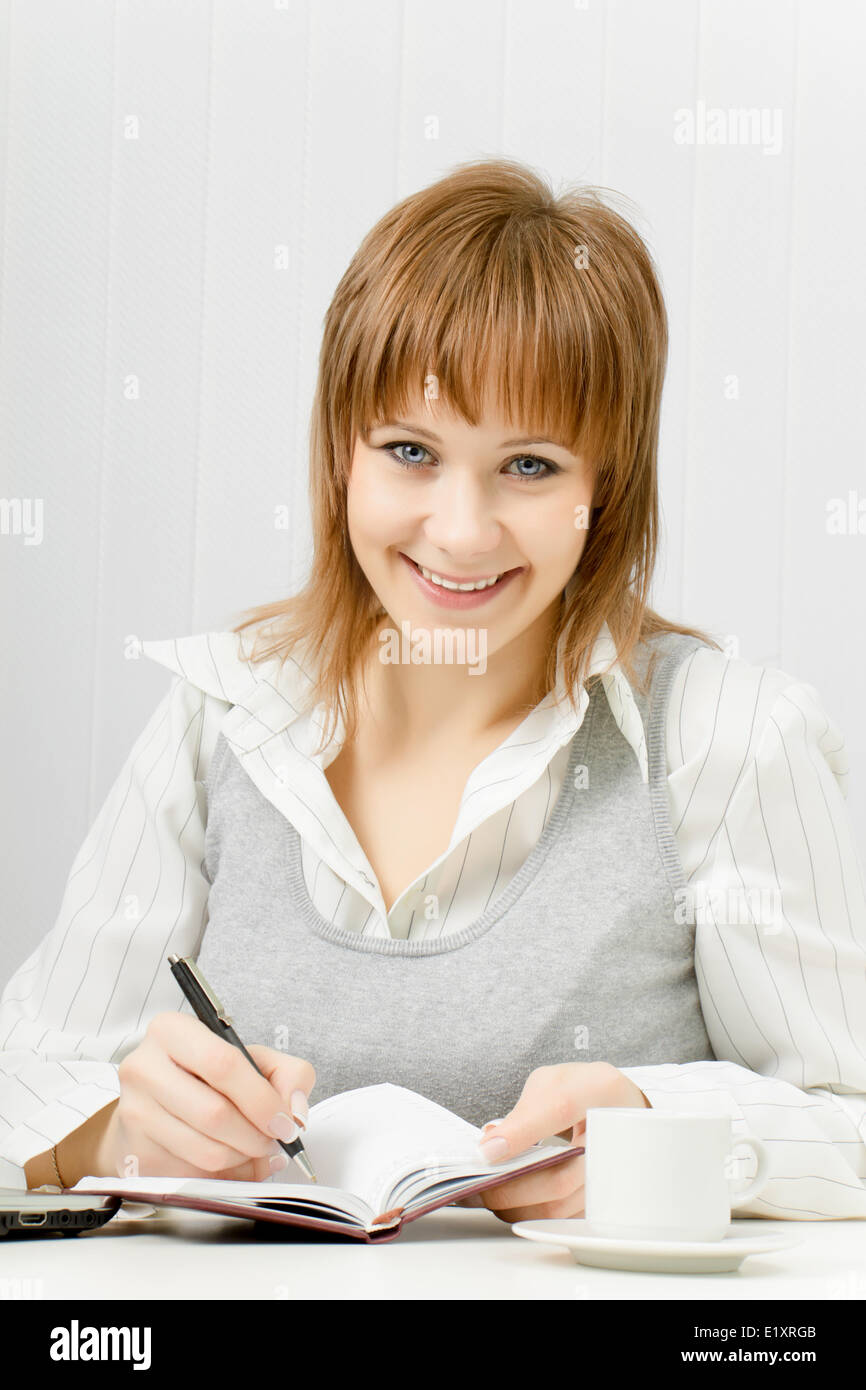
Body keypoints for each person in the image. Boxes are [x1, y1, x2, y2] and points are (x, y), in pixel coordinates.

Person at [3, 158, 865, 1226]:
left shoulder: (728, 741)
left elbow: (850, 1119)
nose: (458, 531)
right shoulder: (220, 713)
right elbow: (25, 1080)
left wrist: (661, 1131)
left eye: (530, 466)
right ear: (339, 456)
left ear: (609, 486)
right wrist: (114, 1132)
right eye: (410, 451)